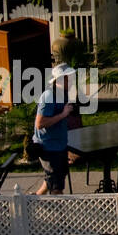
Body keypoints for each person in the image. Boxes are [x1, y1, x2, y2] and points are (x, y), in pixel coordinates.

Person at [33, 43, 76, 196]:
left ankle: (35, 197)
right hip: (48, 147)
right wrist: (63, 114)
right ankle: (59, 218)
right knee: (56, 187)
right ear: (59, 80)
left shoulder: (62, 94)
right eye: (68, 78)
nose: (71, 81)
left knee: (56, 176)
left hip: (59, 145)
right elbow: (40, 123)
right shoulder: (49, 96)